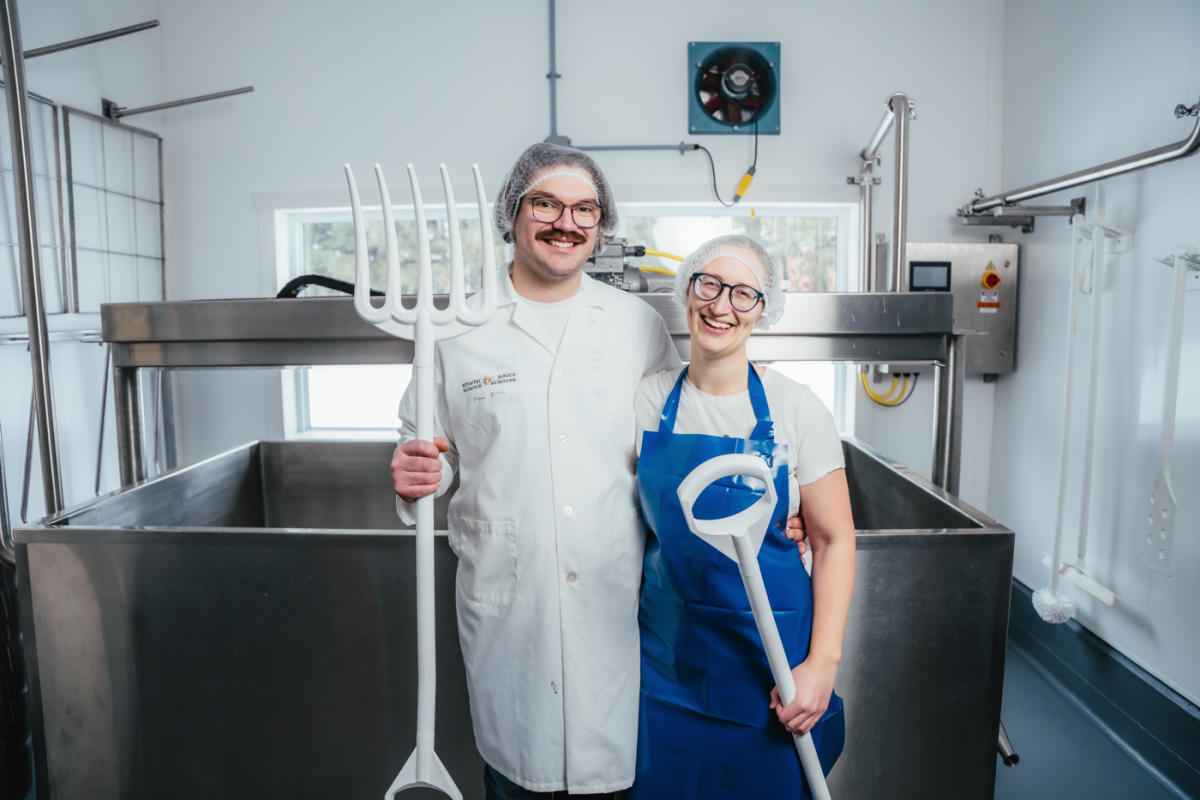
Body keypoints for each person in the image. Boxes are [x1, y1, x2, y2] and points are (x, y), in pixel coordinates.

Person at [390, 142, 680, 799]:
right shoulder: (454, 330)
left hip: (615, 607)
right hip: (510, 612)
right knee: (517, 778)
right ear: (512, 213)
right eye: (546, 203)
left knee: (623, 779)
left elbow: (676, 451)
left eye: (585, 209)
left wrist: (779, 510)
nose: (566, 223)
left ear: (601, 224)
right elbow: (429, 453)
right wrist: (416, 477)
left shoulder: (638, 326)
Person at [631, 235, 856, 799]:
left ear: (763, 309)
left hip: (771, 664)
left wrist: (822, 665)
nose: (721, 305)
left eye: (743, 294)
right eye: (709, 284)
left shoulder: (797, 407)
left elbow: (833, 540)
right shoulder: (645, 402)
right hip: (668, 661)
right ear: (688, 291)